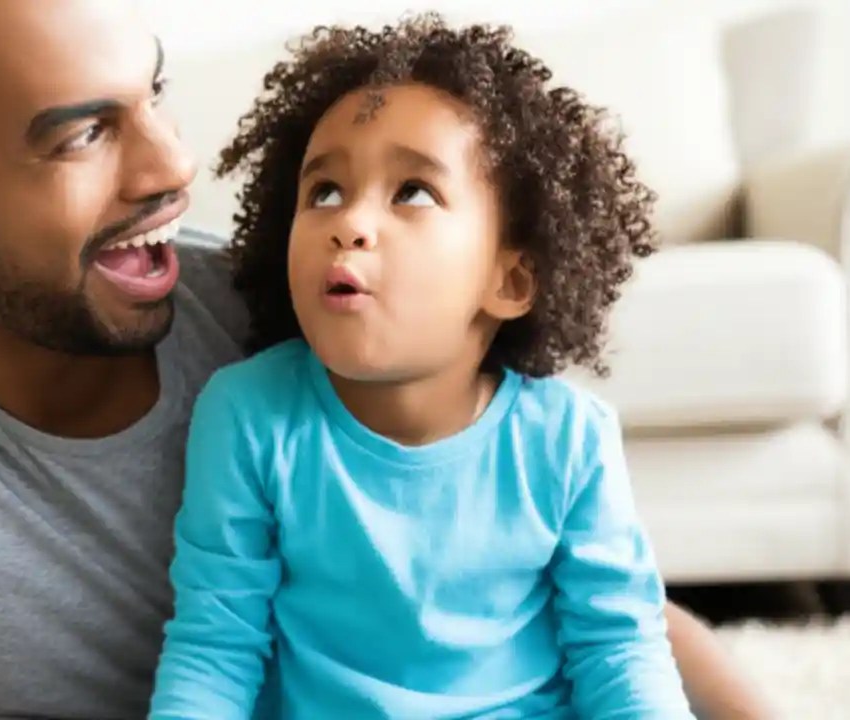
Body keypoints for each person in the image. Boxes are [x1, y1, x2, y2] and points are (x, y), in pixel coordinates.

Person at [0, 1, 768, 719]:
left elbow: (557, 598)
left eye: (154, 93)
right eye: (81, 134)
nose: (173, 163)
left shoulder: (292, 308)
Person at [148, 16, 693, 719]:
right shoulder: (248, 413)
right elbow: (215, 644)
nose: (349, 222)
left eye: (412, 192)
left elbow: (618, 650)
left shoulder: (568, 440)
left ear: (513, 281)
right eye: (324, 192)